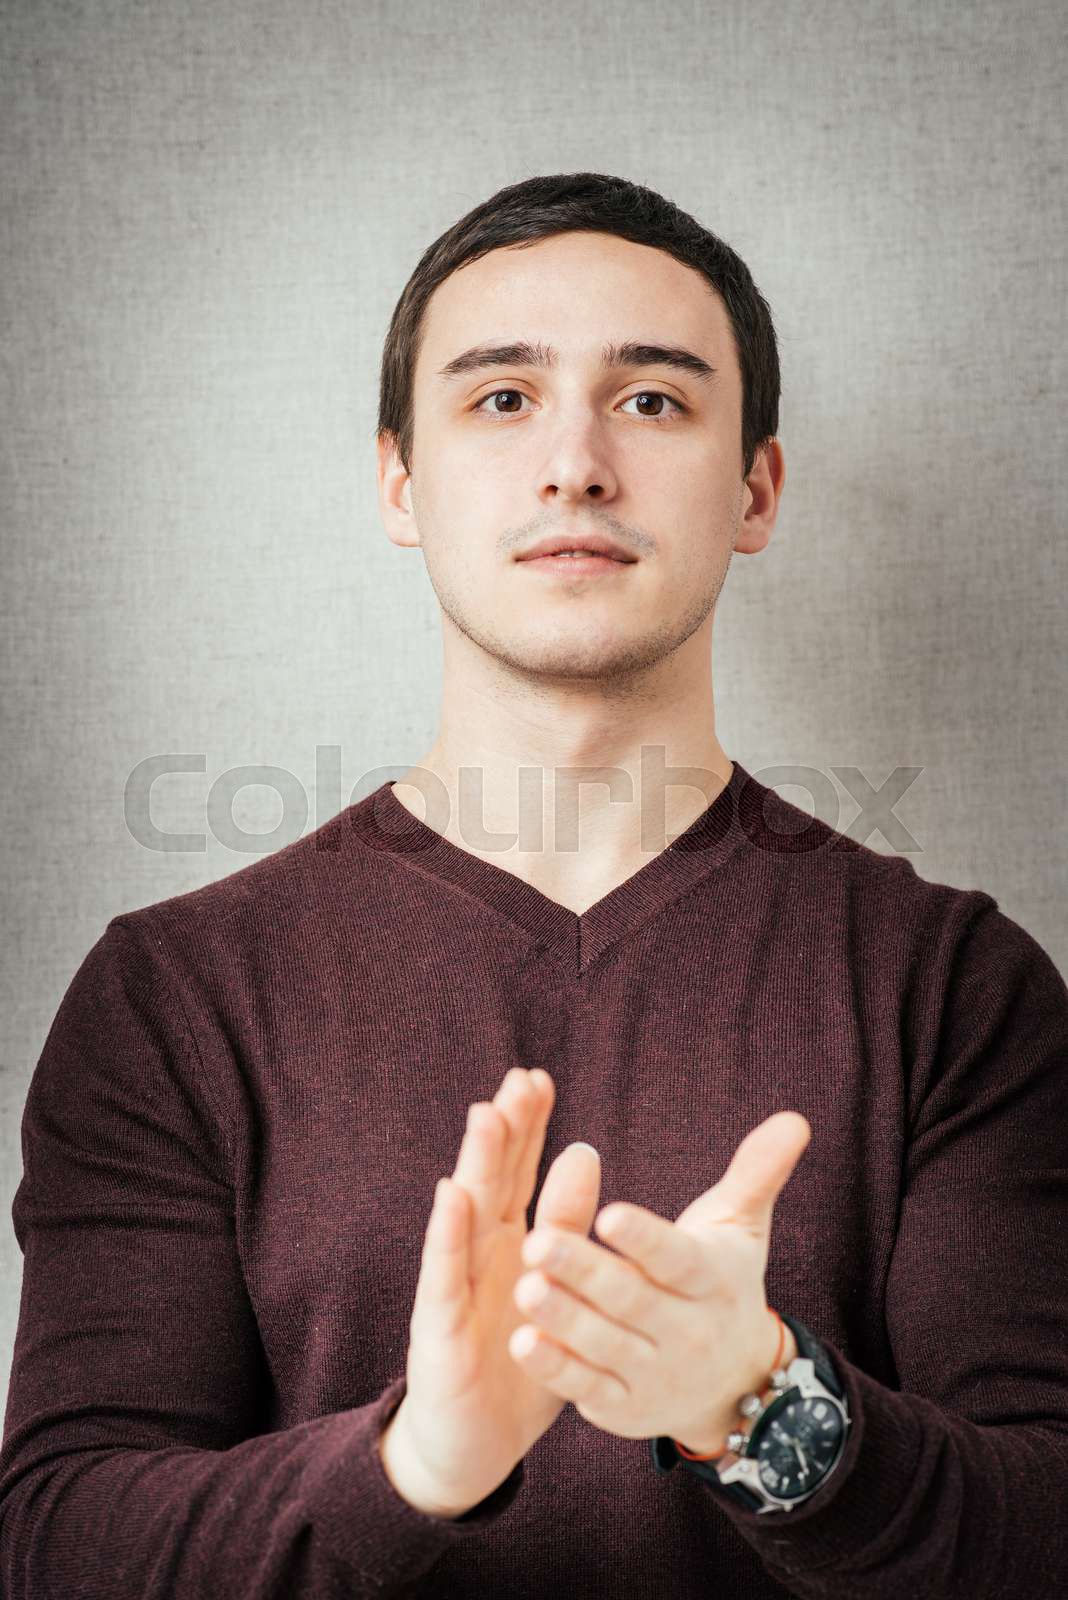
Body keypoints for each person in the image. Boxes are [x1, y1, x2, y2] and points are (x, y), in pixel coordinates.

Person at [2, 171, 1066, 1598]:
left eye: (653, 401)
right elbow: (61, 1541)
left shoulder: (956, 985)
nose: (575, 464)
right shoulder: (172, 997)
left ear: (756, 489)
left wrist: (767, 1411)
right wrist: (414, 1465)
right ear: (399, 479)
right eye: (501, 399)